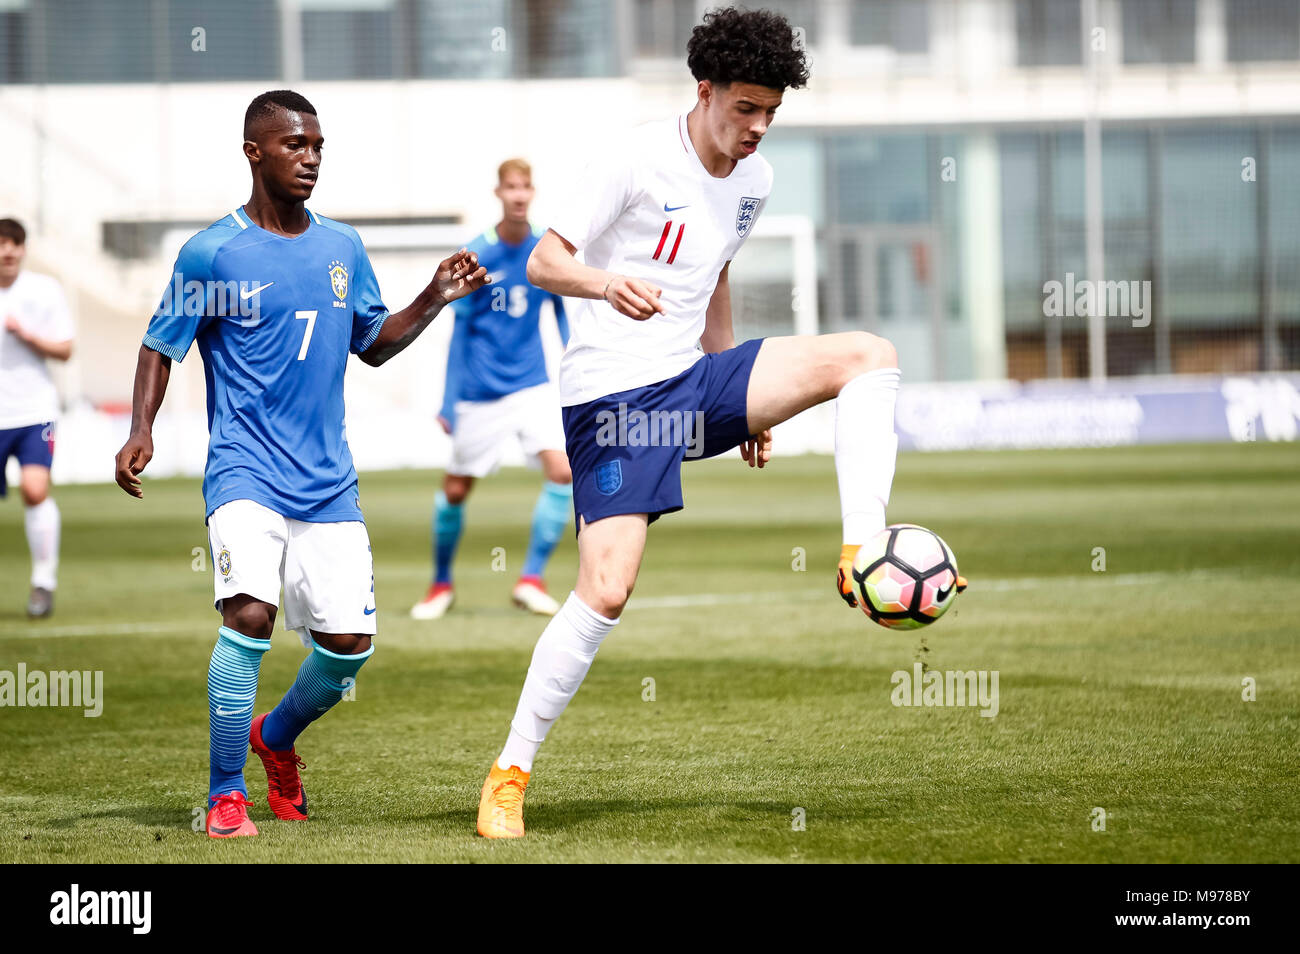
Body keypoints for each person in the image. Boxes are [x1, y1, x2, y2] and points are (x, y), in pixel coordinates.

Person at [475, 7, 964, 838]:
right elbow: (543, 260)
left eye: (771, 112)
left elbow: (717, 275)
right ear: (703, 92)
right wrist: (605, 285)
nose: (759, 128)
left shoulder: (754, 181)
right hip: (616, 404)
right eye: (745, 108)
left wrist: (740, 396)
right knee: (606, 588)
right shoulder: (631, 156)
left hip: (697, 380)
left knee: (869, 354)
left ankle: (859, 551)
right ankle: (510, 773)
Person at [113, 90, 486, 839]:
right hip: (244, 470)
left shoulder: (342, 246)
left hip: (328, 482)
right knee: (250, 612)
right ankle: (225, 797)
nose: (310, 157)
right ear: (255, 152)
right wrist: (140, 428)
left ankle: (275, 740)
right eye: (295, 145)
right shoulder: (213, 252)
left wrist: (435, 297)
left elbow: (373, 343)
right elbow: (161, 343)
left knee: (348, 649)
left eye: (317, 144)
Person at [410, 158, 573, 621]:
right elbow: (459, 332)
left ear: (533, 192)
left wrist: (576, 367)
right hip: (480, 391)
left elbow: (561, 313)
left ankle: (531, 579)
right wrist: (448, 402)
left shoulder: (546, 249)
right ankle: (440, 584)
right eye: (511, 187)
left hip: (532, 385)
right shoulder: (476, 255)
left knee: (562, 473)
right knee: (457, 490)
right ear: (498, 193)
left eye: (526, 187)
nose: (519, 195)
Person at [0, 218, 74, 619]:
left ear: (24, 248)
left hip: (33, 412)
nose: (8, 251)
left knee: (33, 489)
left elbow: (65, 349)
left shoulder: (44, 290)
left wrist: (27, 334)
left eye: (15, 243)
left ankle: (43, 583)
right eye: (1, 243)